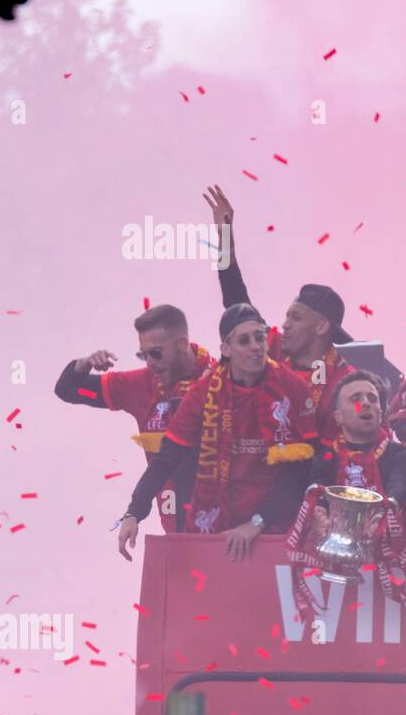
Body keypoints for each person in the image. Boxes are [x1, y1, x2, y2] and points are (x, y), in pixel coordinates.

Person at [117, 304, 318, 562]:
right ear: (225, 349)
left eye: (259, 337)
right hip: (218, 523)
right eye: (244, 340)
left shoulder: (293, 388)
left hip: (277, 523)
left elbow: (304, 470)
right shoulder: (203, 394)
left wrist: (258, 523)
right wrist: (134, 513)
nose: (256, 346)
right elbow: (167, 458)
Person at [204, 185, 356, 438]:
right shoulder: (271, 346)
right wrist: (225, 237)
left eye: (295, 318)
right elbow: (235, 301)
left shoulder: (345, 379)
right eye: (287, 316)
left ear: (321, 327)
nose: (284, 325)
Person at [54, 304, 213, 532]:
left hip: (231, 532)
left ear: (181, 345)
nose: (149, 362)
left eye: (156, 353)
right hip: (178, 538)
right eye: (143, 354)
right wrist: (84, 363)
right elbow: (67, 389)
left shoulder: (221, 378)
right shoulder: (141, 385)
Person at [309, 370, 406, 534]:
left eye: (372, 399)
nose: (365, 404)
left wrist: (387, 513)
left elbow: (400, 486)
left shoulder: (403, 456)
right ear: (338, 417)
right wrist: (318, 513)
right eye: (355, 399)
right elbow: (318, 492)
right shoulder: (324, 460)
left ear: (380, 414)